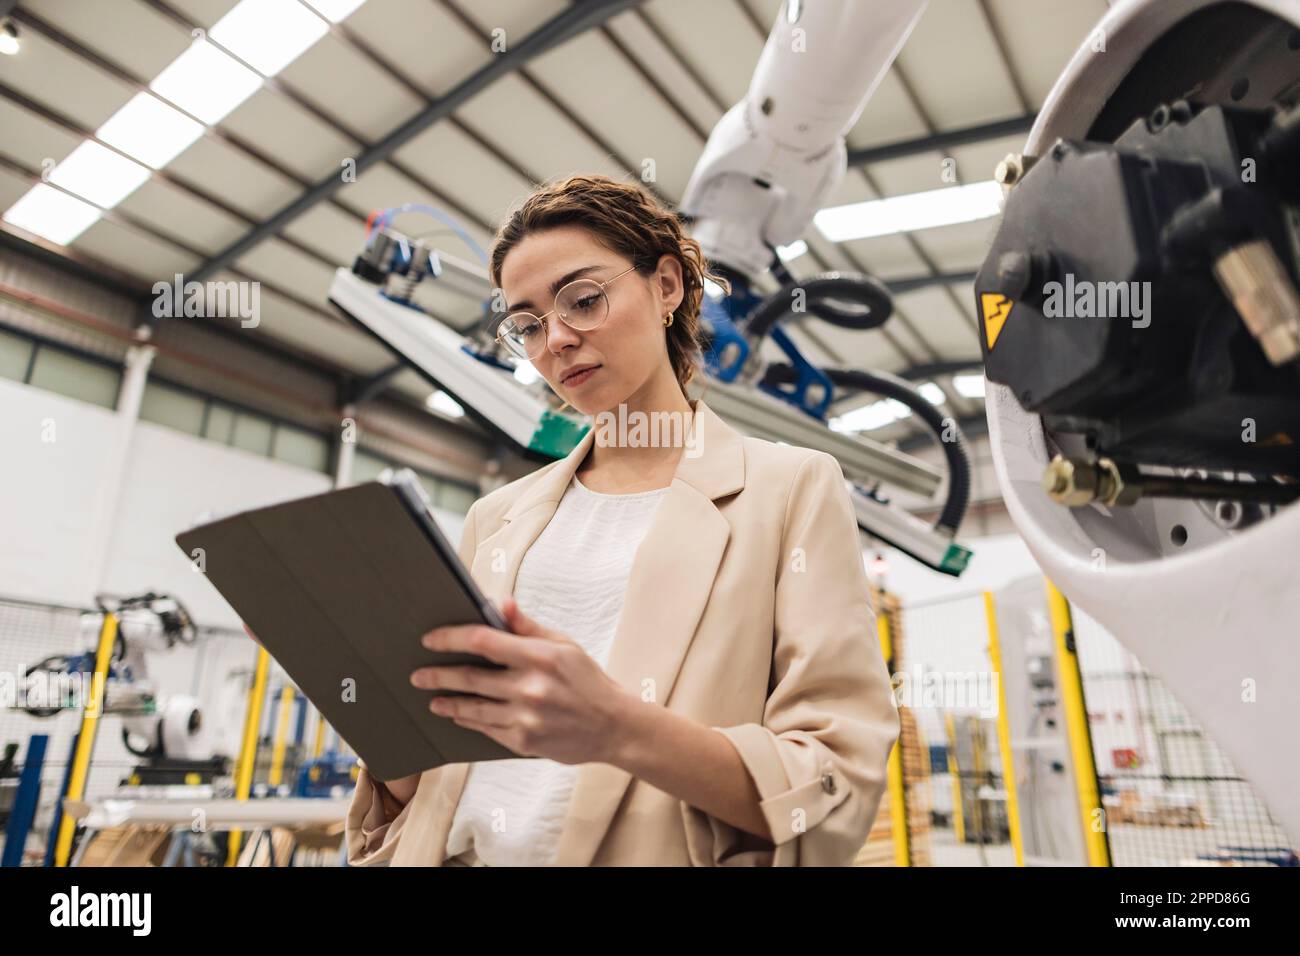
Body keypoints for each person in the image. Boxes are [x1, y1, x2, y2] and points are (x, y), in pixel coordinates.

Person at [344, 173, 899, 866]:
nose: (556, 342)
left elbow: (835, 781)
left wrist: (619, 729)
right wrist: (361, 693)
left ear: (667, 286)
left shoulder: (789, 492)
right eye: (527, 325)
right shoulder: (497, 519)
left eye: (583, 300)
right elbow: (431, 787)